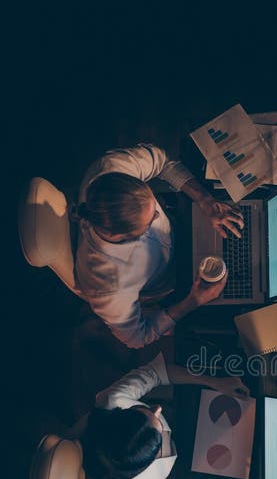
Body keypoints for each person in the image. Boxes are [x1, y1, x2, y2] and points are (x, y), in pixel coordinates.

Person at [74, 143, 244, 349]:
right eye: (148, 223)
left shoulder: (112, 168)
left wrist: (204, 200)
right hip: (175, 285)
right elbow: (137, 337)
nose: (156, 216)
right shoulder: (109, 288)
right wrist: (194, 300)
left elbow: (163, 162)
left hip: (180, 228)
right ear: (117, 235)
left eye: (154, 208)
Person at [79, 352, 249, 479]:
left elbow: (156, 372)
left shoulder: (112, 399)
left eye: (144, 411)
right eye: (157, 425)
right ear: (147, 461)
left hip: (178, 447)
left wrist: (215, 382)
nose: (158, 409)